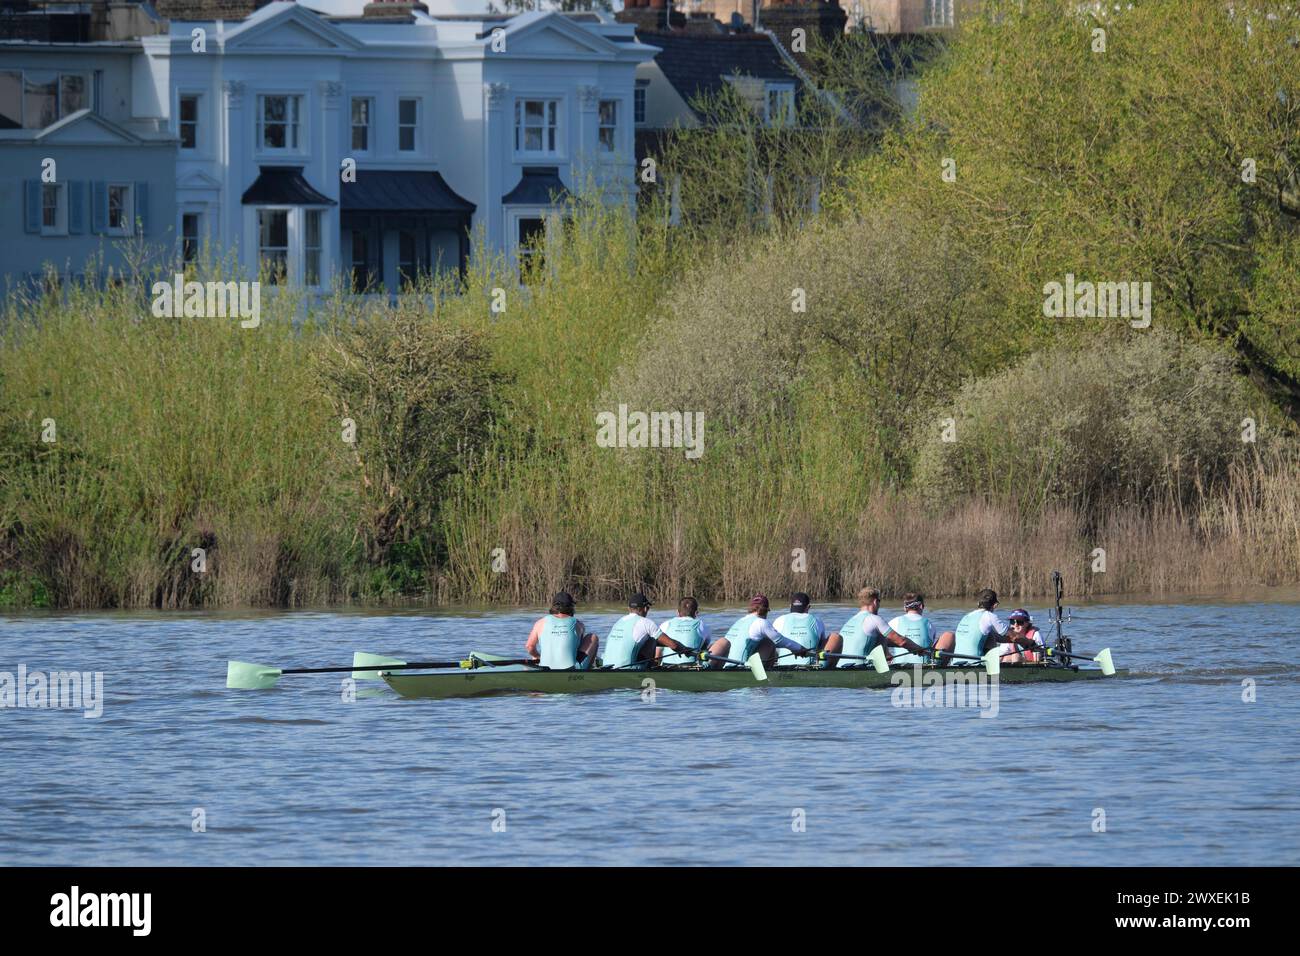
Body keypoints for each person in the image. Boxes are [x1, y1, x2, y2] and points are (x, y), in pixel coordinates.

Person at [717, 593, 815, 667]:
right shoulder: (761, 622)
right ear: (767, 610)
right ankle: (766, 677)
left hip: (726, 666)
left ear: (751, 608)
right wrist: (801, 649)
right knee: (769, 642)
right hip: (740, 669)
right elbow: (781, 641)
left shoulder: (740, 621)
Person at [602, 592, 696, 669]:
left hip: (607, 666)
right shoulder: (646, 623)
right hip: (627, 669)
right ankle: (651, 670)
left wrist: (674, 646)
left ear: (629, 609)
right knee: (652, 640)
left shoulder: (619, 621)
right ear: (645, 608)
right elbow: (673, 645)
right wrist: (686, 650)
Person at [525, 591, 599, 669]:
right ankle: (590, 670)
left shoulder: (540, 623)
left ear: (553, 606)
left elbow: (529, 646)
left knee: (534, 656)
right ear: (571, 607)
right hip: (571, 669)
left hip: (544, 668)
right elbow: (578, 650)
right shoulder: (579, 624)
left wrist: (537, 656)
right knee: (593, 637)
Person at [934, 587, 1009, 665]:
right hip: (974, 665)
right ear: (995, 605)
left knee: (989, 634)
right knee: (991, 637)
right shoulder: (989, 616)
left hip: (956, 664)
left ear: (978, 604)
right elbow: (1012, 636)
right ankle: (993, 667)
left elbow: (1000, 637)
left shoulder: (966, 617)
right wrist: (1021, 640)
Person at [772, 592, 839, 667]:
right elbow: (822, 648)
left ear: (790, 606)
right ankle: (828, 671)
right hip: (811, 668)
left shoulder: (779, 620)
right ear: (808, 607)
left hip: (783, 666)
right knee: (835, 637)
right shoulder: (817, 620)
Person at [830, 587, 892, 668]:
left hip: (839, 666)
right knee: (881, 635)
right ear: (875, 601)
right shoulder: (874, 619)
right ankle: (883, 667)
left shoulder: (851, 620)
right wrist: (913, 647)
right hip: (859, 667)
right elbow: (900, 641)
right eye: (879, 601)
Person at [657, 597, 723, 668]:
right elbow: (704, 648)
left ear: (677, 612)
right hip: (692, 667)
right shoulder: (701, 625)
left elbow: (657, 653)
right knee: (720, 644)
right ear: (696, 613)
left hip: (666, 666)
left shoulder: (665, 624)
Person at [881, 593, 937, 665]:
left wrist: (887, 654)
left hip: (898, 667)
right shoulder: (930, 624)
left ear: (904, 608)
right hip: (923, 668)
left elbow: (880, 641)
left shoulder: (894, 622)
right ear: (921, 606)